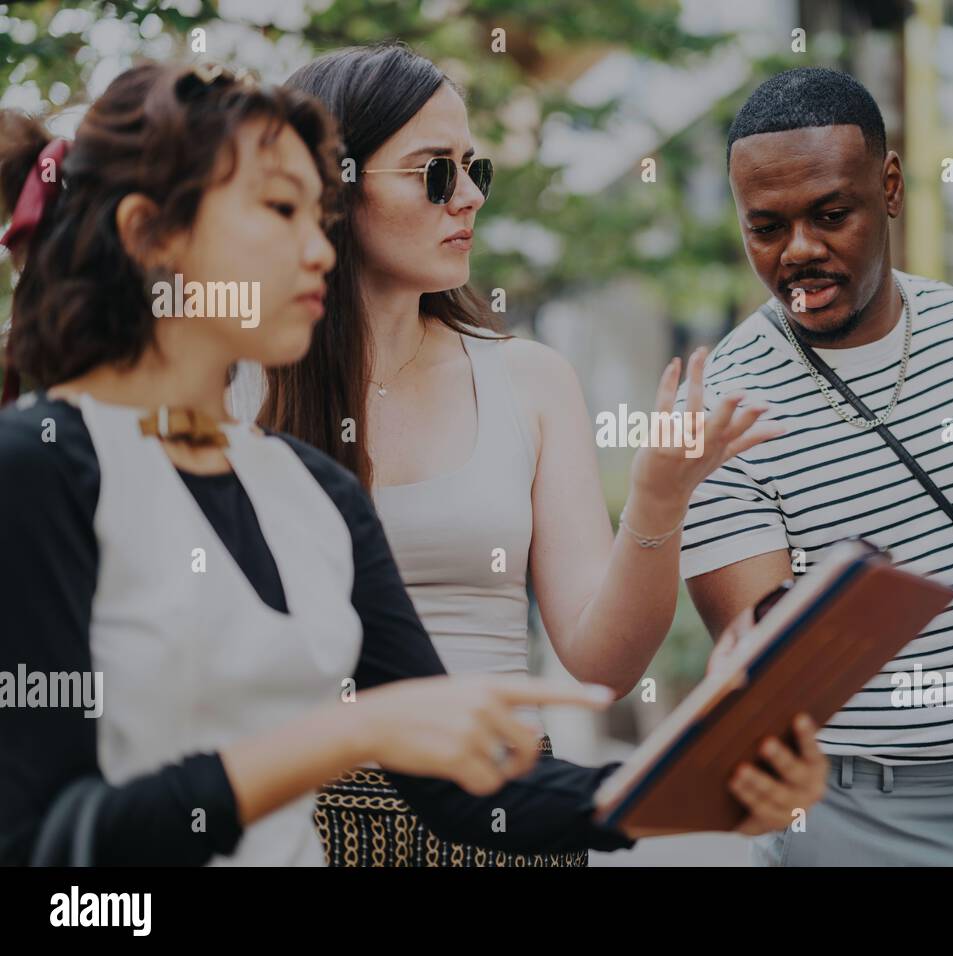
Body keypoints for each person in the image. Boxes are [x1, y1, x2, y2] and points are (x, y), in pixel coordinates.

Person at [0, 61, 827, 866]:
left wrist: (699, 775)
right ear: (149, 234)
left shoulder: (313, 489)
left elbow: (469, 797)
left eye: (315, 208)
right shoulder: (36, 471)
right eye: (281, 209)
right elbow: (48, 843)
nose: (316, 245)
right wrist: (350, 734)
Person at [228, 42, 788, 866]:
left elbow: (601, 663)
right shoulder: (227, 382)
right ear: (333, 188)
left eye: (474, 168)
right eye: (432, 173)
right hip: (291, 828)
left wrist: (659, 498)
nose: (468, 199)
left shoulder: (526, 380)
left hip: (502, 815)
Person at [677, 67, 953, 866]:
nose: (799, 252)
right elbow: (766, 665)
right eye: (766, 227)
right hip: (851, 818)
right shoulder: (720, 413)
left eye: (830, 214)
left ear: (889, 187)